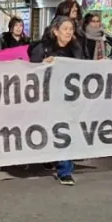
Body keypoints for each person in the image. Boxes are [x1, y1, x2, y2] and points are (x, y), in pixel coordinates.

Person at [29, 16, 83, 186]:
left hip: (69, 97)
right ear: (55, 31)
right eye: (65, 29)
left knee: (64, 131)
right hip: (46, 97)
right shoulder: (42, 48)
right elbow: (30, 71)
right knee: (49, 129)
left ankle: (65, 170)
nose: (69, 32)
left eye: (71, 29)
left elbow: (84, 68)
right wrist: (42, 64)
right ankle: (49, 156)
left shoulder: (76, 48)